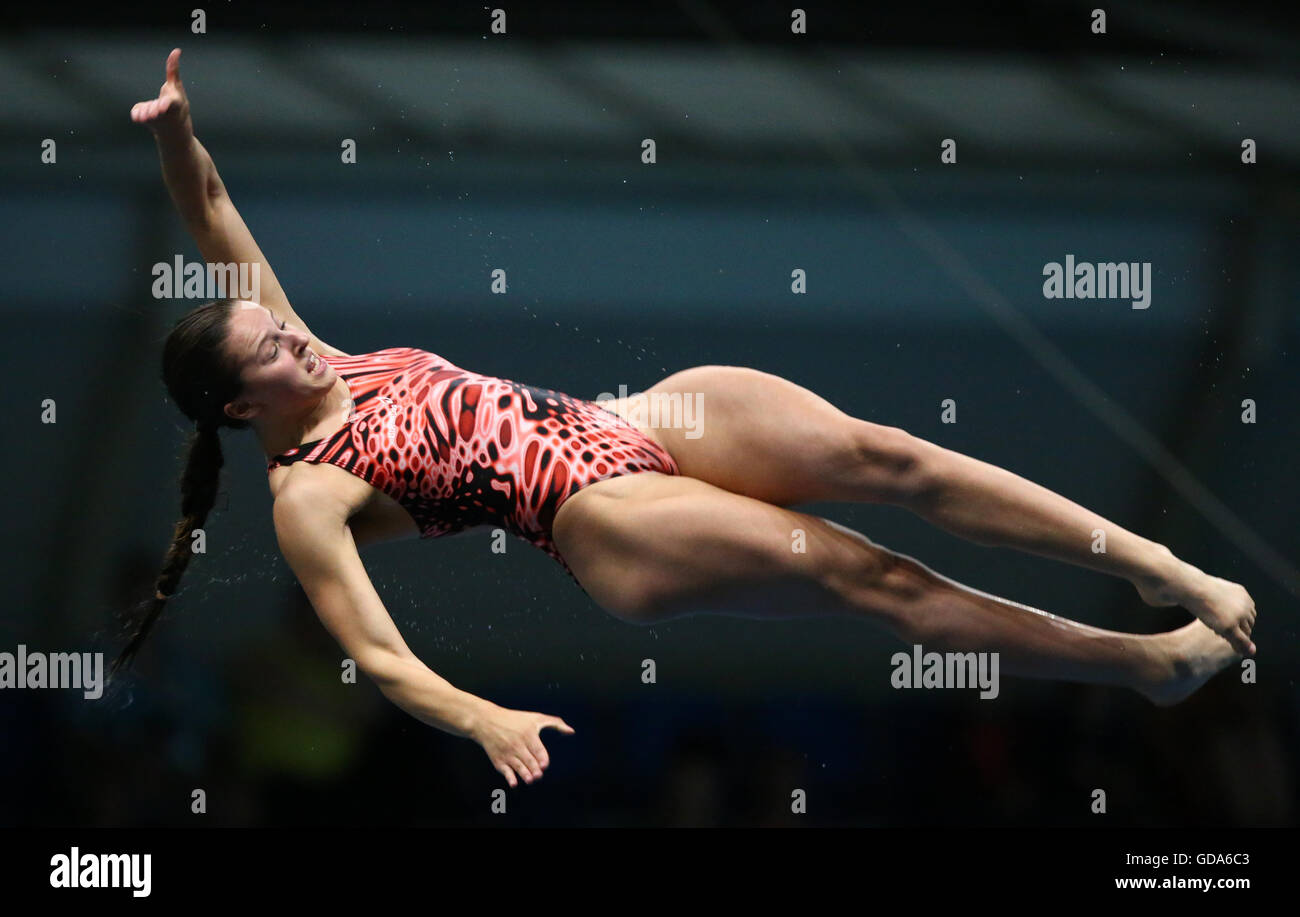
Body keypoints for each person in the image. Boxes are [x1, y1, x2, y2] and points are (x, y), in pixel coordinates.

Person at [117, 48, 1257, 789]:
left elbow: (211, 205)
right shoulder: (309, 490)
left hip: (632, 423)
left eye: (278, 323)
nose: (294, 335)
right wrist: (479, 717)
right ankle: (1145, 664)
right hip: (596, 515)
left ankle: (1161, 565)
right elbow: (376, 653)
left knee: (889, 455)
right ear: (237, 404)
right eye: (272, 348)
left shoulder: (306, 356)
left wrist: (171, 126)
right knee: (873, 572)